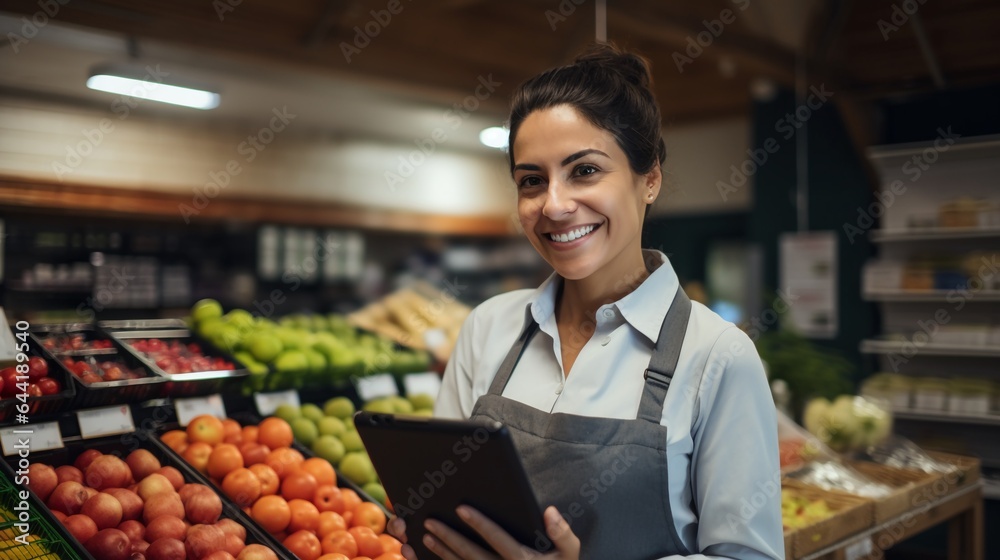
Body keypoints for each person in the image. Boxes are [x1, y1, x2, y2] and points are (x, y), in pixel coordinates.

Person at [388, 43, 783, 560]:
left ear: (651, 179)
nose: (553, 204)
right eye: (532, 180)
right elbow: (447, 510)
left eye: (585, 171)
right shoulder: (488, 328)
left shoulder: (717, 356)